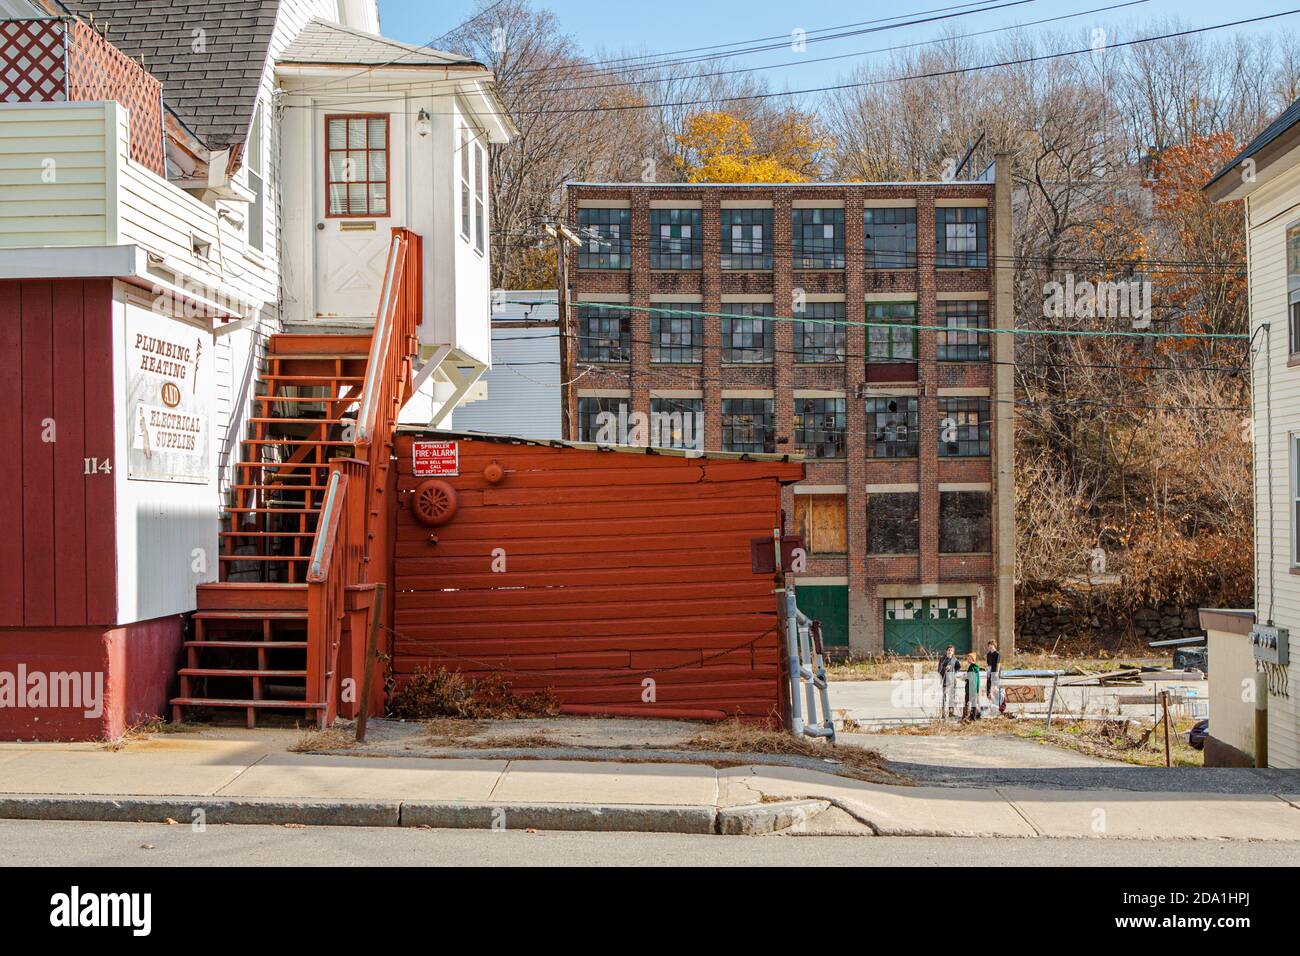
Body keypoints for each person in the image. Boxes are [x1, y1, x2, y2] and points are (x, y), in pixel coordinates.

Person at [937, 645, 960, 718]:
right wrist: (945, 668)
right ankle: (943, 714)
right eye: (949, 650)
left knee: (952, 697)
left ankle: (951, 713)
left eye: (951, 650)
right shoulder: (942, 659)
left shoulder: (955, 659)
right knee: (944, 697)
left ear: (953, 652)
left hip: (952, 681)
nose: (950, 651)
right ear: (946, 651)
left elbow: (958, 667)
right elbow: (939, 670)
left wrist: (955, 672)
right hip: (945, 680)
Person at [963, 652, 982, 720]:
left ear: (972, 659)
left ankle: (967, 716)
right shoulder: (973, 667)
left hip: (971, 688)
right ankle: (973, 716)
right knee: (973, 703)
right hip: (973, 688)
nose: (967, 659)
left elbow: (971, 678)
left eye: (969, 658)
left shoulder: (973, 667)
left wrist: (965, 677)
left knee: (967, 702)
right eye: (967, 658)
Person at [985, 640, 1002, 714]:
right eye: (989, 645)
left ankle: (996, 706)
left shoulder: (997, 654)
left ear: (994, 645)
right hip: (990, 672)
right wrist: (988, 671)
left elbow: (998, 664)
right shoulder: (988, 654)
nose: (990, 647)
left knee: (994, 689)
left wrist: (996, 673)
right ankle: (990, 705)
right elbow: (988, 664)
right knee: (988, 688)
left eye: (991, 645)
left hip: (995, 672)